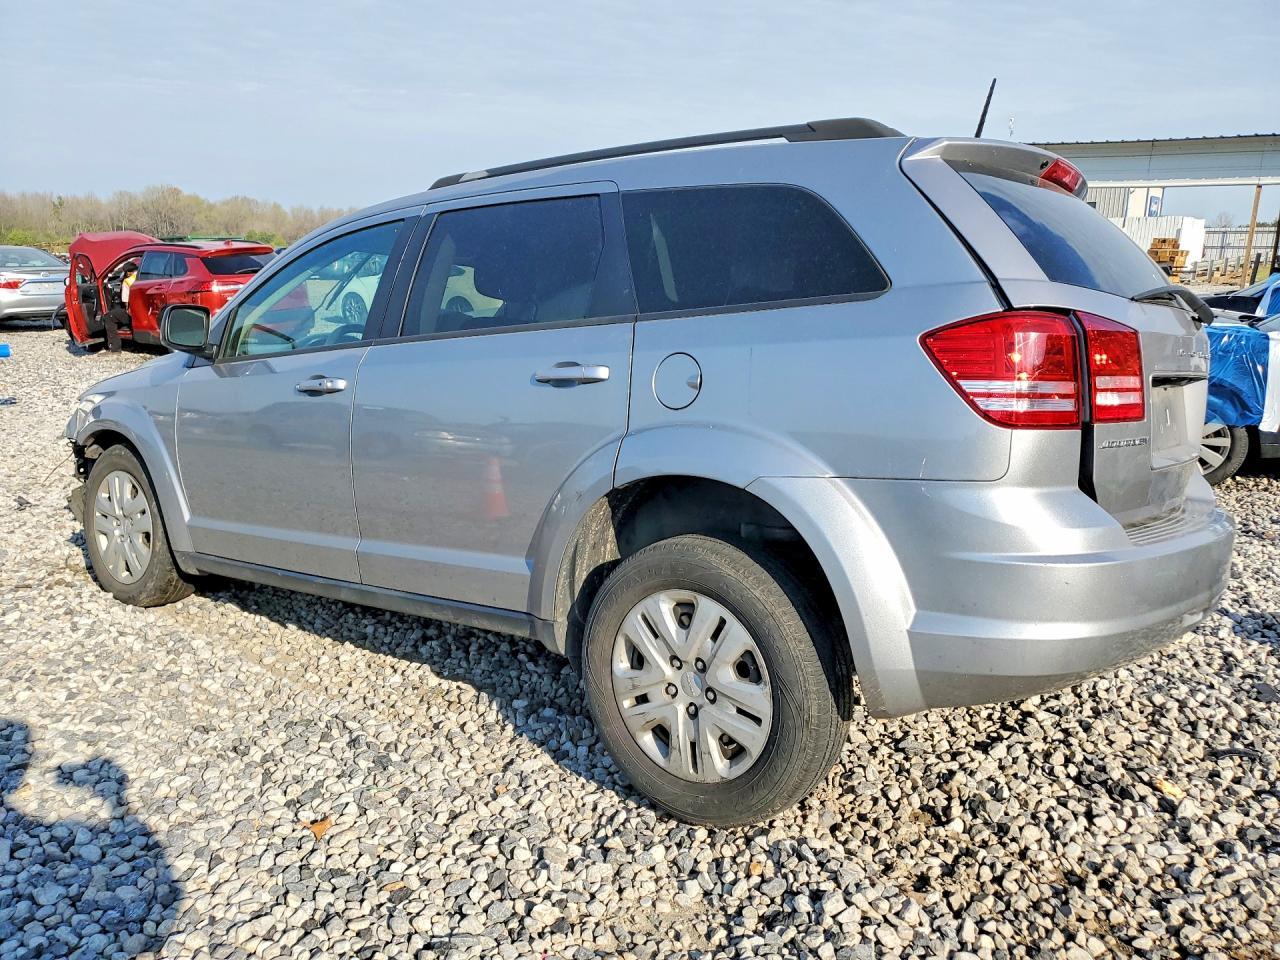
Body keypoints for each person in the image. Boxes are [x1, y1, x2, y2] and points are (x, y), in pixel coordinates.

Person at [101, 262, 137, 352]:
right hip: (146, 312)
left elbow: (126, 301)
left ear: (128, 272)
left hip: (134, 313)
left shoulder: (127, 281)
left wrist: (127, 310)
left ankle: (115, 348)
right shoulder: (144, 277)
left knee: (109, 316)